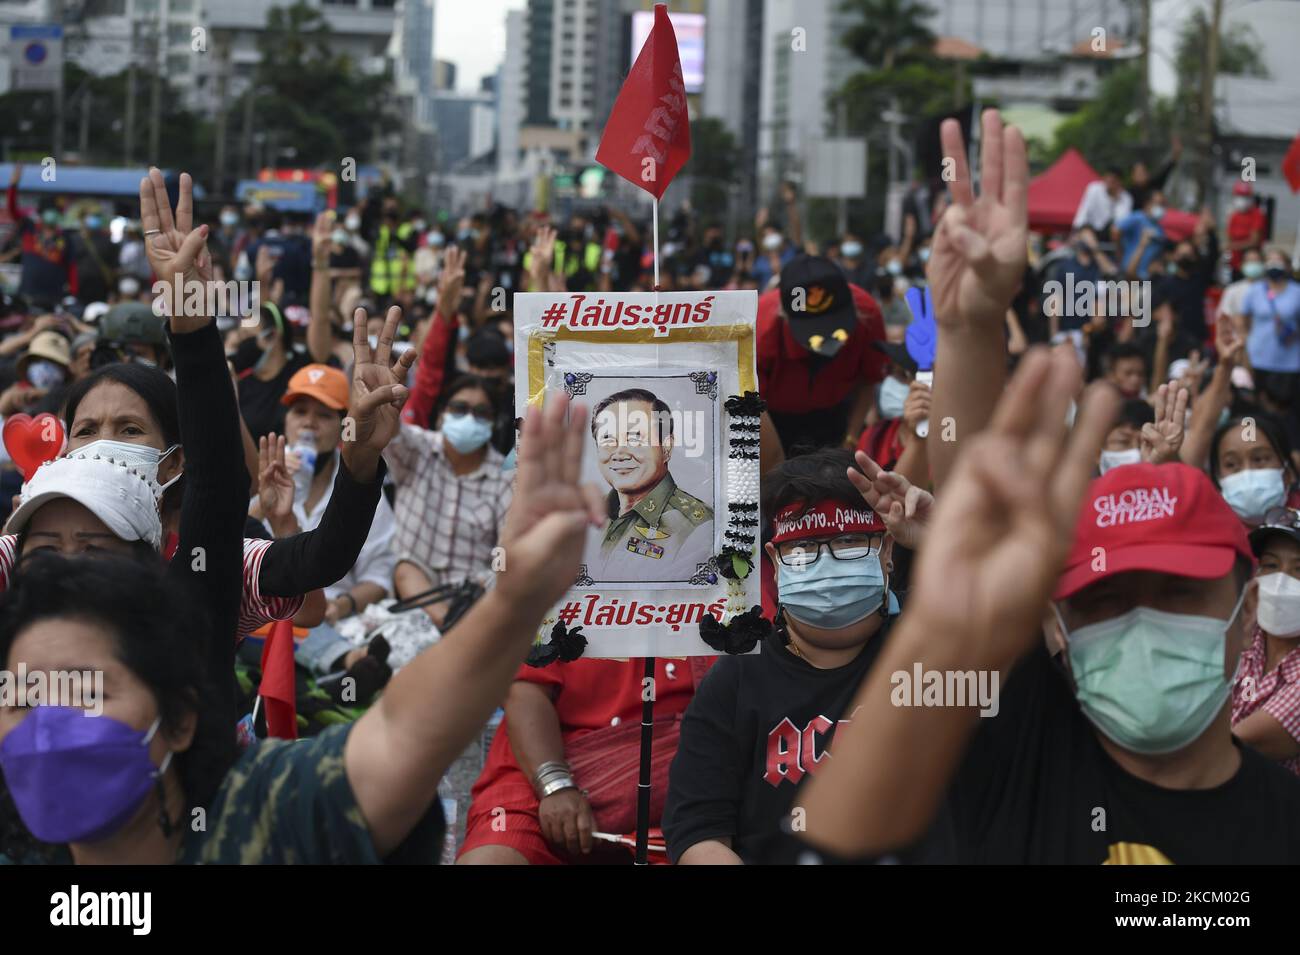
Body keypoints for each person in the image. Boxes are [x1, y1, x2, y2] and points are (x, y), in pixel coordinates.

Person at [784, 110, 1300, 865]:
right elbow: (838, 850)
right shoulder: (1024, 752)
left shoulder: (1285, 821)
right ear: (1056, 627)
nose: (1142, 626)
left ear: (1246, 608)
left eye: (1179, 591)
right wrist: (968, 328)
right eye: (1103, 599)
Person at [0, 390, 607, 864]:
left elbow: (401, 734)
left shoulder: (264, 819)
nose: (52, 723)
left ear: (181, 717)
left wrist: (515, 602)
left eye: (90, 691)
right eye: (25, 695)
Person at [663, 448, 916, 864]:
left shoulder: (931, 643)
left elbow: (1014, 628)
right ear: (775, 564)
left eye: (849, 541)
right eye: (802, 550)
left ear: (886, 550)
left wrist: (937, 534)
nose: (828, 563)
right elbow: (698, 834)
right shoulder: (735, 681)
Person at [256, 362, 398, 625]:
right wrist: (261, 503)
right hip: (265, 623)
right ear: (285, 420)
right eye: (299, 412)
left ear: (345, 426)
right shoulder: (262, 474)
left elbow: (378, 576)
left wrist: (342, 605)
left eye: (323, 415)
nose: (309, 423)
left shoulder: (361, 488)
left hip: (336, 624)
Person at [385, 371, 513, 627]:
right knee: (407, 568)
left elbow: (506, 558)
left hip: (471, 603)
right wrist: (383, 403)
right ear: (443, 412)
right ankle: (447, 625)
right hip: (411, 600)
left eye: (481, 412)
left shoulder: (505, 479)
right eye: (459, 408)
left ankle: (451, 627)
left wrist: (478, 587)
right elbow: (384, 430)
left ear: (493, 423)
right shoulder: (416, 448)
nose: (469, 418)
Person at [757, 255, 888, 452]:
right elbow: (752, 405)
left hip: (837, 413)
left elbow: (868, 379)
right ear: (784, 316)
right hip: (773, 420)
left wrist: (851, 438)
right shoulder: (760, 327)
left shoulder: (868, 314)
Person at [588, 387, 713, 582]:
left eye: (636, 438)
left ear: (666, 447)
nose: (620, 453)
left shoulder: (697, 528)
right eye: (608, 440)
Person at [1232, 508, 1300, 775]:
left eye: (1299, 569)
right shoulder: (1246, 636)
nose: (1281, 581)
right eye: (1270, 565)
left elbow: (1242, 743)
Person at [6, 164, 76, 310]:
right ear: (41, 214)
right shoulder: (29, 228)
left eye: (55, 212)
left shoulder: (65, 237)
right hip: (27, 295)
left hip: (54, 297)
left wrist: (73, 293)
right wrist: (13, 185)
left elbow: (71, 267)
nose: (51, 215)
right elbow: (12, 210)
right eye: (48, 211)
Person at [1210, 412, 1299, 524]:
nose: (1247, 474)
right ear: (1217, 478)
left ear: (1288, 472)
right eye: (1231, 464)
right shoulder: (1208, 531)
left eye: (1259, 459)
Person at [1241, 249, 1300, 418]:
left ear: (1288, 266)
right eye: (1270, 261)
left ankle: (1287, 443)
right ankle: (1251, 441)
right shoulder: (1255, 290)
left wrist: (1292, 333)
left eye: (1279, 261)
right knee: (1254, 411)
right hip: (1258, 358)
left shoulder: (1297, 292)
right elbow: (1243, 321)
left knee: (1287, 411)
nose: (1274, 265)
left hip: (1289, 362)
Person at [1116, 190, 1167, 280]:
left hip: (1144, 278)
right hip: (1127, 274)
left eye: (1163, 205)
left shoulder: (1160, 229)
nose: (1161, 208)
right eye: (1159, 204)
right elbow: (1115, 231)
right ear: (1148, 203)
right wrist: (1120, 253)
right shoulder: (1138, 218)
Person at [1072, 166, 1133, 238]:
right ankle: (1097, 249)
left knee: (1116, 230)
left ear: (1119, 182)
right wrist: (1076, 228)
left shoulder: (1126, 198)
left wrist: (1116, 201)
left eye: (1114, 180)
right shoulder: (1094, 189)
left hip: (1111, 233)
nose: (1110, 182)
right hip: (1091, 229)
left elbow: (1121, 221)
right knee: (1086, 231)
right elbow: (1085, 210)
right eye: (1109, 178)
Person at [1226, 182, 1268, 274]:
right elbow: (1229, 238)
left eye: (1245, 196)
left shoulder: (1257, 214)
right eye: (1239, 196)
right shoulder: (1234, 215)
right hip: (1235, 262)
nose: (1241, 200)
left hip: (1251, 262)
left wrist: (1234, 246)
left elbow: (1254, 241)